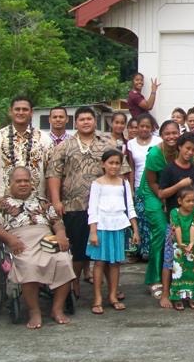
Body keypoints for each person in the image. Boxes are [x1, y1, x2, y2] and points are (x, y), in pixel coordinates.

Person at [0, 166, 74, 330]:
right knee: (29, 266)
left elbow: (56, 221)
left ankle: (57, 309)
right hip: (20, 240)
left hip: (45, 238)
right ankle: (34, 311)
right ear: (10, 183)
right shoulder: (0, 204)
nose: (23, 184)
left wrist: (61, 234)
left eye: (26, 180)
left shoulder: (42, 202)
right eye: (18, 181)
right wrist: (9, 238)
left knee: (64, 260)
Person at [46, 106, 113, 297]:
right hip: (74, 205)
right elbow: (53, 174)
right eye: (81, 119)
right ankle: (72, 284)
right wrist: (56, 201)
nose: (85, 122)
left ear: (94, 121)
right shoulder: (64, 146)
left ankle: (110, 290)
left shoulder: (107, 144)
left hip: (103, 207)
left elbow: (121, 172)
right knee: (77, 249)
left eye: (89, 119)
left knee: (105, 249)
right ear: (75, 123)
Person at [86, 149, 139, 314]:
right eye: (111, 163)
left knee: (115, 263)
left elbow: (130, 207)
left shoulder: (124, 183)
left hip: (118, 226)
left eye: (117, 163)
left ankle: (113, 296)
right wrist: (93, 231)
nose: (114, 166)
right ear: (103, 164)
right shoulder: (97, 183)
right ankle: (97, 298)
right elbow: (92, 209)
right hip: (101, 226)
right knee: (99, 263)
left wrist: (135, 230)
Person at [0, 95, 53, 207]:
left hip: (37, 204)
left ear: (31, 113)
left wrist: (51, 200)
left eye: (25, 109)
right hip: (4, 204)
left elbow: (51, 172)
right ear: (10, 112)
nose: (21, 112)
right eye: (17, 109)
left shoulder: (44, 139)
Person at [138, 120, 179, 295]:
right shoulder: (155, 153)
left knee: (175, 233)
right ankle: (153, 279)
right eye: (167, 133)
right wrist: (162, 198)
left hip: (173, 191)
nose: (171, 136)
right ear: (161, 136)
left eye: (174, 133)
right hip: (153, 191)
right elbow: (151, 181)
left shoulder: (183, 149)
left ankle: (174, 276)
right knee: (162, 232)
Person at [127, 114, 160, 260]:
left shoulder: (158, 142)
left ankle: (152, 250)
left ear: (152, 127)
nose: (144, 129)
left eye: (148, 126)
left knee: (153, 218)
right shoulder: (130, 144)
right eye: (141, 126)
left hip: (155, 185)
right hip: (139, 185)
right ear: (137, 127)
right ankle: (141, 251)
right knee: (140, 218)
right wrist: (132, 188)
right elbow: (131, 168)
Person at [168, 187, 194, 309]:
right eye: (188, 201)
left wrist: (192, 243)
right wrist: (181, 243)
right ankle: (177, 297)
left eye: (193, 200)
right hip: (178, 246)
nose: (192, 203)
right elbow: (176, 227)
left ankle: (193, 296)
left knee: (193, 271)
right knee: (178, 272)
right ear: (180, 201)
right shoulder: (174, 212)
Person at [159, 132, 194, 214]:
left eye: (193, 150)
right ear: (180, 146)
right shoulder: (169, 169)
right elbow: (161, 194)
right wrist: (179, 185)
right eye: (187, 148)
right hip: (176, 217)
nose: (190, 152)